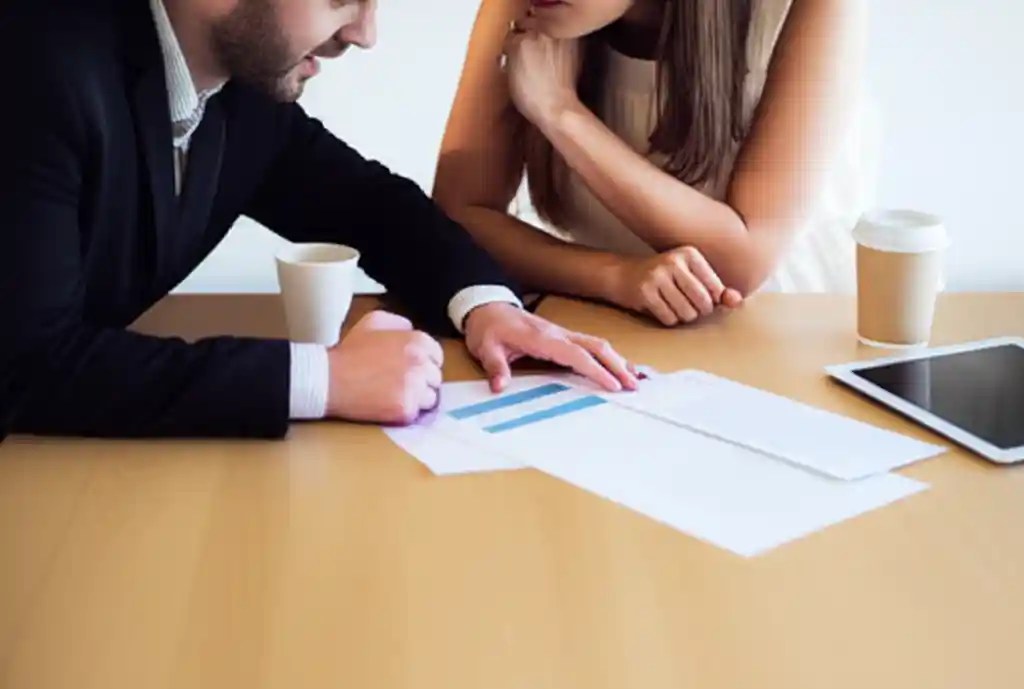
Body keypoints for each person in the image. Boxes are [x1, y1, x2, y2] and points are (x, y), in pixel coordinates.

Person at [0, 0, 638, 441]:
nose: (364, 33)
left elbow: (373, 206)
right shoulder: (36, 65)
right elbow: (28, 365)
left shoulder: (237, 96)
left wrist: (488, 309)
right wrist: (322, 379)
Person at [435, 0, 866, 327]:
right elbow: (457, 217)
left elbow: (741, 264)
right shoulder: (532, 6)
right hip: (613, 339)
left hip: (785, 346)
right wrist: (615, 277)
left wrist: (558, 110)